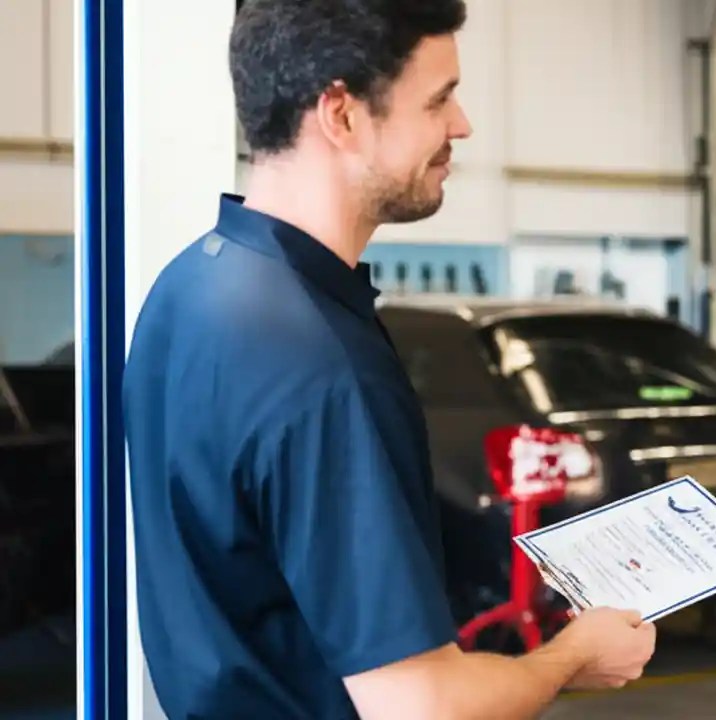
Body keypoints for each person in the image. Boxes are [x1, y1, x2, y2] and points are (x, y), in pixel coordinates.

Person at [122, 1, 655, 718]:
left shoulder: (189, 287)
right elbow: (419, 706)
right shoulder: (317, 360)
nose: (461, 125)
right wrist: (573, 654)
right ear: (340, 114)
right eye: (439, 99)